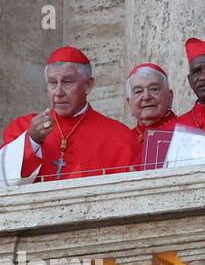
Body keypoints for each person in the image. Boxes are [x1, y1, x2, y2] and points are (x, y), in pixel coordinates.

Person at [1, 47, 136, 185]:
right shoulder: (23, 128)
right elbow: (4, 182)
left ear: (88, 85)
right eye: (53, 83)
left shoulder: (120, 138)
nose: (58, 92)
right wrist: (32, 141)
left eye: (67, 82)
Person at [125, 62, 177, 168]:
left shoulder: (184, 132)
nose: (146, 96)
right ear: (129, 103)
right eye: (138, 91)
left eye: (154, 89)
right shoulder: (124, 140)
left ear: (170, 97)